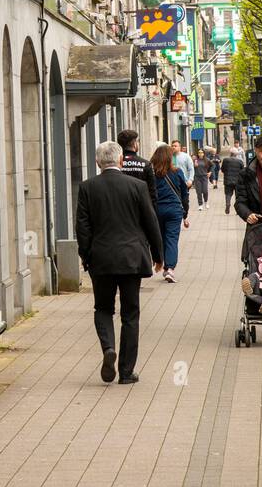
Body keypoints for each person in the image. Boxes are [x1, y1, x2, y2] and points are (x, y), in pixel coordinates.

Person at [76, 141, 163, 384]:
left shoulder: (87, 187)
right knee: (130, 314)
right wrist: (158, 256)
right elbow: (150, 222)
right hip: (131, 259)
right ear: (121, 161)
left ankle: (108, 348)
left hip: (101, 259)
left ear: (97, 162)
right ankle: (126, 372)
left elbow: (82, 227)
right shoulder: (137, 186)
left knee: (103, 309)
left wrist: (86, 256)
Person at [151, 143, 191, 281]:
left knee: (160, 238)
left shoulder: (152, 173)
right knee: (172, 239)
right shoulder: (177, 172)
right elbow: (184, 194)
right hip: (174, 210)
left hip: (156, 210)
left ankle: (159, 261)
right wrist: (185, 213)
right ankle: (169, 269)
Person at [117, 128, 157, 211]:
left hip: (119, 208)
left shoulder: (115, 163)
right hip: (140, 209)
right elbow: (152, 193)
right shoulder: (146, 164)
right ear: (135, 144)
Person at [221, 148, 243, 215]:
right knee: (238, 196)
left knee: (228, 194)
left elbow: (222, 169)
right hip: (237, 181)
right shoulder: (240, 161)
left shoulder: (225, 160)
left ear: (230, 153)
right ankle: (237, 210)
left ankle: (228, 205)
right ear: (236, 154)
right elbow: (242, 171)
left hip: (228, 181)